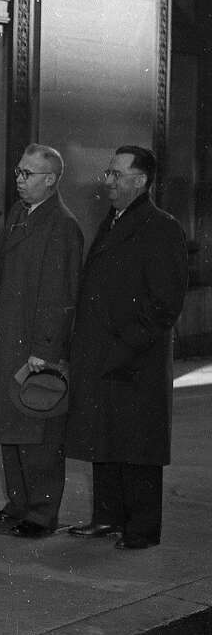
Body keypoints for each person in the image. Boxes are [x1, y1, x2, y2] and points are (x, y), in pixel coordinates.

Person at [65, 146, 187, 550]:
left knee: (138, 447)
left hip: (136, 359)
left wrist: (125, 345)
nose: (109, 182)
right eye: (109, 173)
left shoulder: (161, 227)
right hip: (105, 353)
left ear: (142, 181)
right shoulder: (114, 221)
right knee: (105, 439)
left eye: (117, 175)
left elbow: (165, 303)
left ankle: (141, 529)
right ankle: (107, 518)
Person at [0, 144, 83, 538]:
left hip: (34, 347)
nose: (19, 180)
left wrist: (45, 350)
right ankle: (19, 503)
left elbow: (61, 294)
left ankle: (41, 513)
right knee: (12, 426)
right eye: (19, 172)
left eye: (27, 174)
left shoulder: (62, 225)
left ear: (50, 180)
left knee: (39, 431)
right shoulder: (22, 215)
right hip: (9, 338)